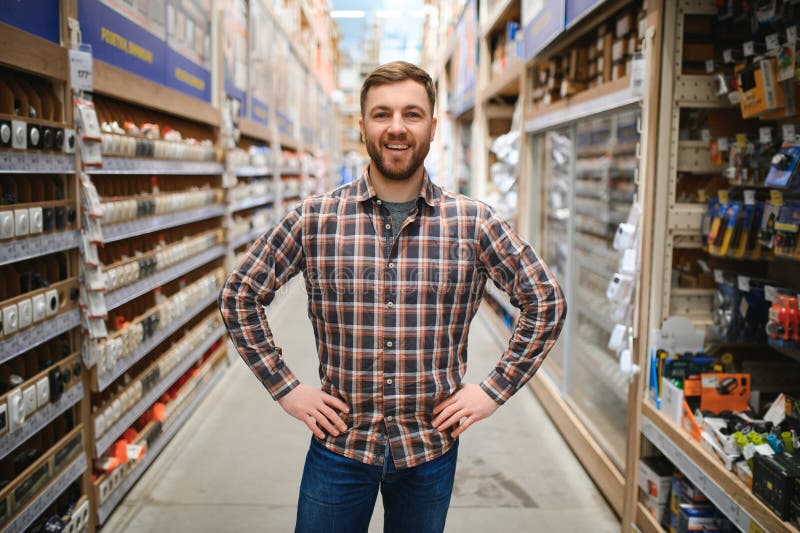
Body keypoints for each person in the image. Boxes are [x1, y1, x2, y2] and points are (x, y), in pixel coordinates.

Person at [218, 61, 567, 533]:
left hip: (429, 450)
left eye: (412, 114)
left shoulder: (473, 223)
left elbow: (545, 300)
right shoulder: (316, 219)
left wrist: (491, 392)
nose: (397, 128)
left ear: (433, 127)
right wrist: (287, 389)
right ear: (362, 126)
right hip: (341, 445)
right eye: (382, 114)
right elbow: (240, 294)